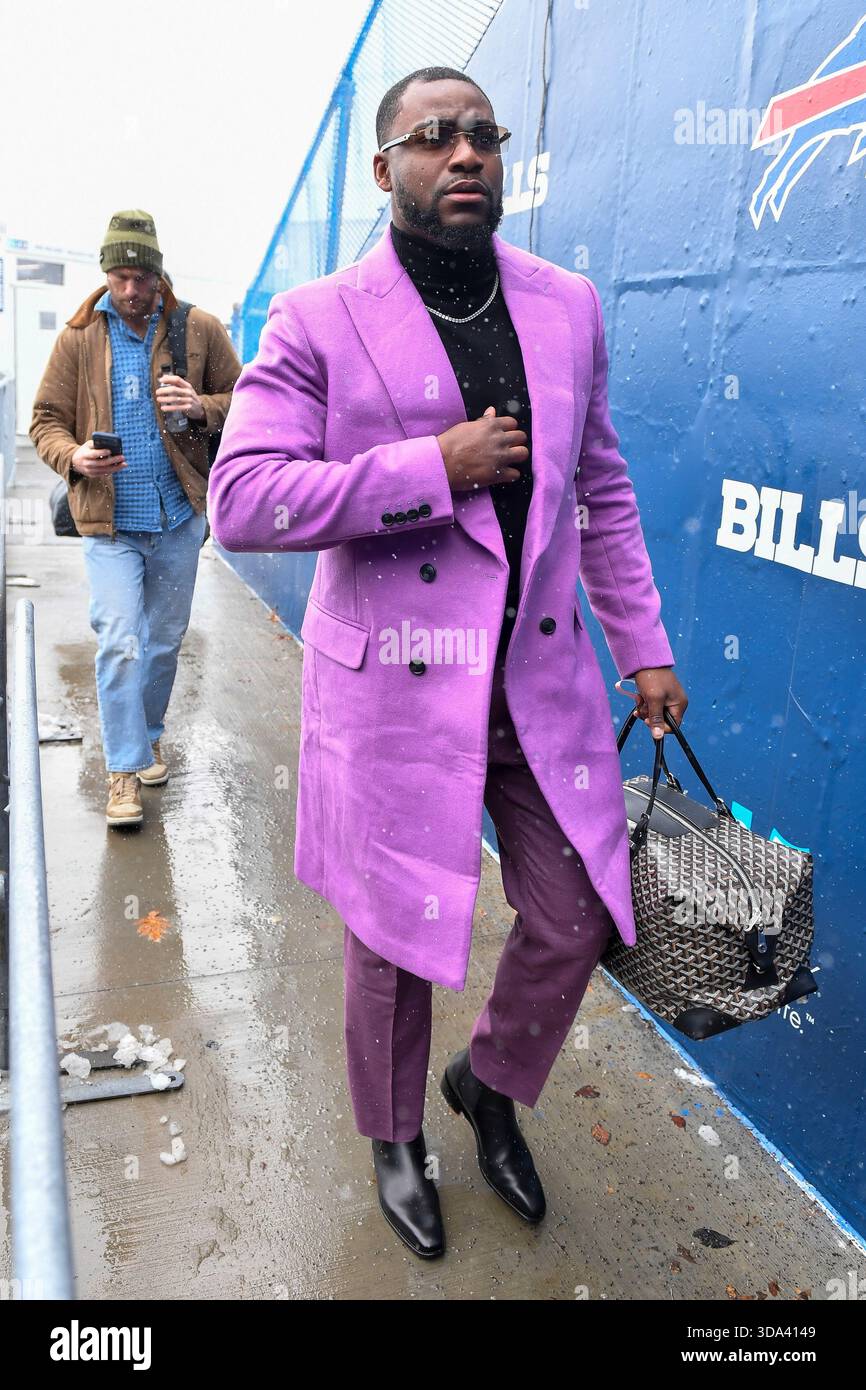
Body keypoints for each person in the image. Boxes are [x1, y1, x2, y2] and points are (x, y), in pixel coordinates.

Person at [208, 68, 689, 1259]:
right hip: (392, 685)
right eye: (433, 138)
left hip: (537, 682)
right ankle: (393, 1138)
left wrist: (644, 648)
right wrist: (433, 466)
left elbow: (602, 488)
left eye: (482, 134)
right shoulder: (319, 315)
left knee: (575, 913)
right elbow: (243, 499)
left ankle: (489, 1083)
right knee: (392, 938)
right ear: (386, 172)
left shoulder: (566, 304)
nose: (464, 153)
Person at [30, 209, 242, 827]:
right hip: (109, 522)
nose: (129, 290)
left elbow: (250, 400)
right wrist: (74, 457)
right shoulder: (78, 337)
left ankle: (147, 735)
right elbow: (44, 420)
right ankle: (122, 771)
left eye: (139, 277)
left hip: (178, 518)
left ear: (157, 274)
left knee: (163, 645)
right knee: (120, 642)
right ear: (105, 274)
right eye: (118, 277)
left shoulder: (197, 328)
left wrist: (202, 405)